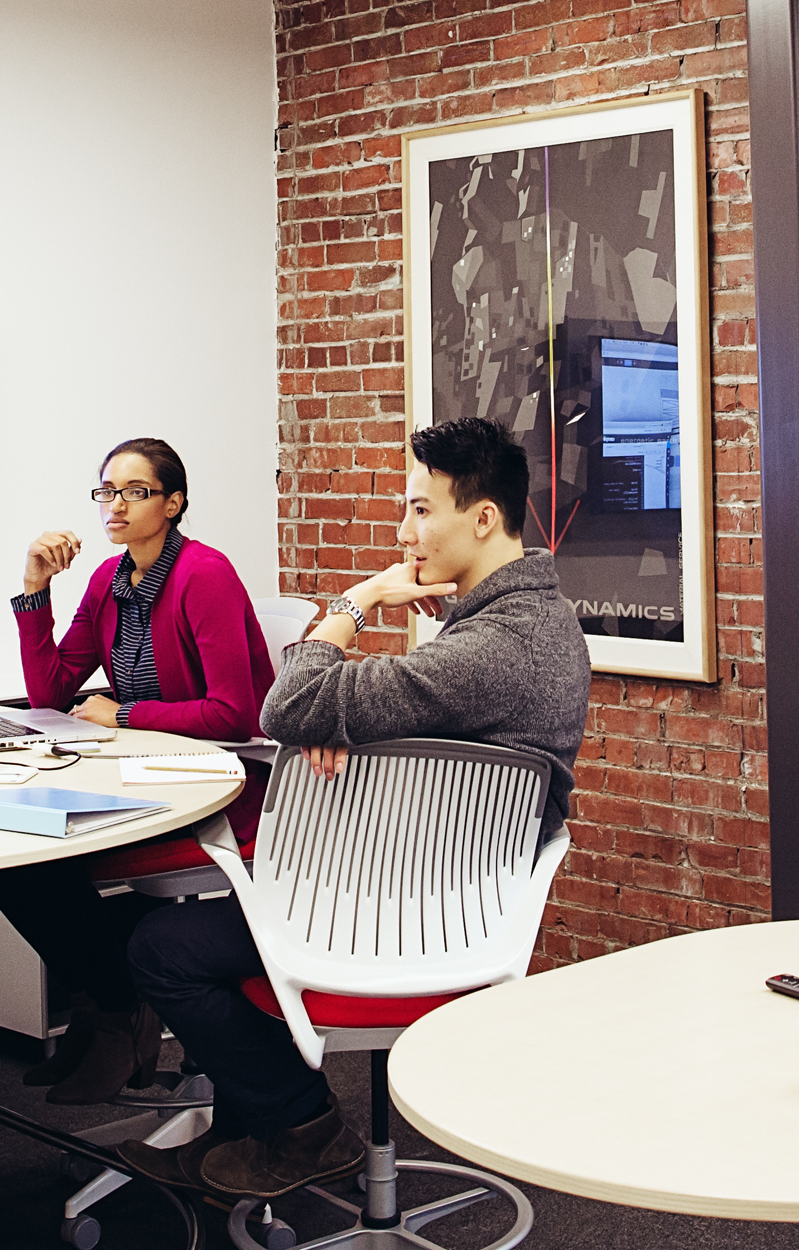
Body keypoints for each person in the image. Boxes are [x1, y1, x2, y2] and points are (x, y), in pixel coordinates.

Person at [122, 417, 589, 1200]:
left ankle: (303, 1129)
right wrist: (347, 729)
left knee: (160, 947)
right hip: (445, 894)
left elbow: (285, 703)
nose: (404, 532)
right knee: (216, 934)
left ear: (483, 518)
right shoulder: (535, 625)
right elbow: (354, 714)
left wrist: (359, 600)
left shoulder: (492, 648)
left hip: (400, 911)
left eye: (420, 510)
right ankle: (249, 1136)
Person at [0, 438, 275, 1105]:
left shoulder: (205, 575)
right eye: (107, 491)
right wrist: (35, 590)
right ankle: (107, 1005)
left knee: (33, 857)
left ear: (173, 503)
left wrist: (125, 714)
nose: (114, 504)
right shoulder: (110, 581)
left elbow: (235, 712)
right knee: (2, 850)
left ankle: (117, 1010)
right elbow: (51, 693)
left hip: (215, 789)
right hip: (140, 775)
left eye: (135, 492)